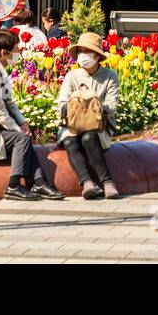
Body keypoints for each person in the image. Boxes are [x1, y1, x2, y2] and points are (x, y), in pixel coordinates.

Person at [0, 31, 64, 200]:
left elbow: (9, 103)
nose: (19, 52)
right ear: (5, 53)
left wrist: (22, 122)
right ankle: (13, 185)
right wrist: (16, 129)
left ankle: (39, 183)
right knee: (22, 139)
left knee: (23, 138)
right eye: (17, 49)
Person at [57, 31, 120, 200]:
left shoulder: (110, 77)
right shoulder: (72, 76)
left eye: (87, 51)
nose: (83, 55)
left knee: (88, 137)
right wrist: (75, 106)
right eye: (80, 51)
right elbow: (61, 104)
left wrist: (93, 105)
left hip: (100, 125)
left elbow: (112, 107)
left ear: (98, 56)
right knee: (69, 140)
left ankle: (107, 182)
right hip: (72, 124)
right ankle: (87, 183)